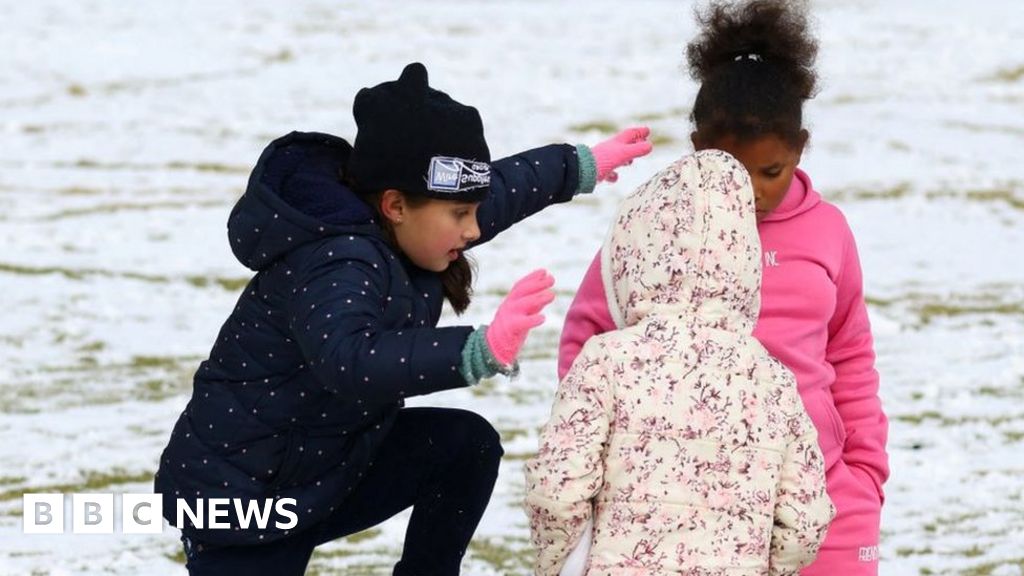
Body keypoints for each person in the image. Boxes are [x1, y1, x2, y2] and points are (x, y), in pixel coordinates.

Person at [153, 62, 652, 576]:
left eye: (473, 211)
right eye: (460, 216)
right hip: (245, 499)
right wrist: (475, 350)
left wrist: (577, 166)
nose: (474, 229)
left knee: (465, 446)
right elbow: (349, 359)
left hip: (328, 466)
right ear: (394, 205)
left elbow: (496, 191)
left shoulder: (412, 226)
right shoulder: (338, 259)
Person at [557, 2, 889, 574]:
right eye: (727, 167)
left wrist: (865, 472)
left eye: (770, 171)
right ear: (695, 145)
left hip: (824, 499)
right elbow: (588, 344)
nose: (749, 190)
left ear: (800, 149)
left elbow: (851, 353)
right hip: (684, 508)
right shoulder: (650, 230)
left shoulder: (828, 231)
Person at [526, 149, 834, 575]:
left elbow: (557, 488)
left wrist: (556, 563)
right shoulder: (772, 380)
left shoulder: (607, 360)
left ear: (635, 256)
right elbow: (806, 518)